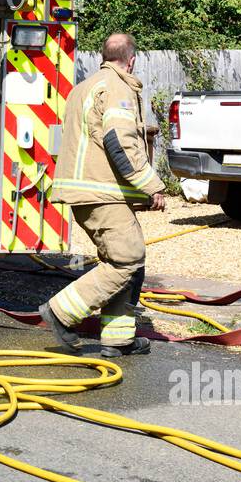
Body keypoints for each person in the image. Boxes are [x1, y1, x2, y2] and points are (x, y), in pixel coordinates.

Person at [40, 33, 167, 358]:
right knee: (127, 259)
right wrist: (150, 184)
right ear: (132, 59)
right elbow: (119, 143)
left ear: (103, 55)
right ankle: (60, 312)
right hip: (101, 192)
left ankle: (118, 339)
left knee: (123, 260)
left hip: (89, 191)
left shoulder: (85, 85)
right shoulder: (116, 88)